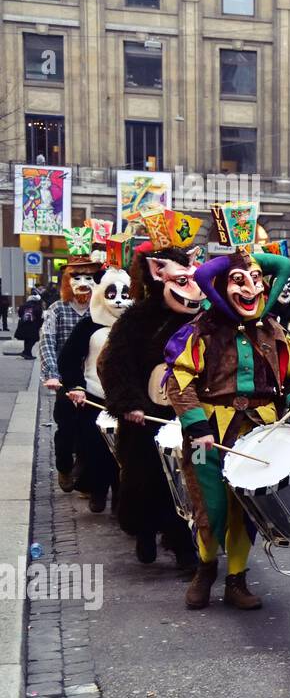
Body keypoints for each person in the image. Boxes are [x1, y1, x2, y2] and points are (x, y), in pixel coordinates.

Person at [165, 247, 290, 611]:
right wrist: (197, 427)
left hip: (258, 431)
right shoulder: (199, 332)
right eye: (239, 280)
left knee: (246, 510)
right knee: (208, 507)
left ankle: (237, 579)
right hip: (205, 435)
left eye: (257, 279)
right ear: (219, 286)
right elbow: (178, 381)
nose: (250, 288)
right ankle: (205, 569)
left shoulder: (273, 331)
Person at [99, 238, 204, 566]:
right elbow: (113, 362)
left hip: (190, 416)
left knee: (190, 480)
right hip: (145, 416)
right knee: (144, 478)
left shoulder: (205, 322)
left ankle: (185, 545)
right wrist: (129, 403)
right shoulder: (135, 319)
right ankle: (144, 532)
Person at [57, 267, 131, 514]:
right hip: (94, 398)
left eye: (125, 293)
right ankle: (97, 490)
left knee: (126, 455)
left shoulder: (136, 325)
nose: (119, 300)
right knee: (95, 450)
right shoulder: (88, 325)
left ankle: (122, 498)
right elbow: (68, 358)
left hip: (128, 400)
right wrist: (75, 386)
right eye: (112, 294)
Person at [40, 250, 102, 492]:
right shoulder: (57, 309)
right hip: (66, 381)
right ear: (68, 279)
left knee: (90, 432)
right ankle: (64, 467)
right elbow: (46, 340)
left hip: (94, 382)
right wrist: (52, 374)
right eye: (77, 276)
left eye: (90, 277)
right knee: (66, 430)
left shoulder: (100, 311)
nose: (84, 283)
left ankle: (86, 479)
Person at [15, 292, 43, 359]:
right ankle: (26, 353)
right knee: (32, 339)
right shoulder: (37, 306)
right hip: (33, 326)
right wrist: (40, 325)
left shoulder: (23, 305)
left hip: (23, 324)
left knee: (27, 339)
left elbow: (19, 314)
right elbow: (39, 316)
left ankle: (27, 353)